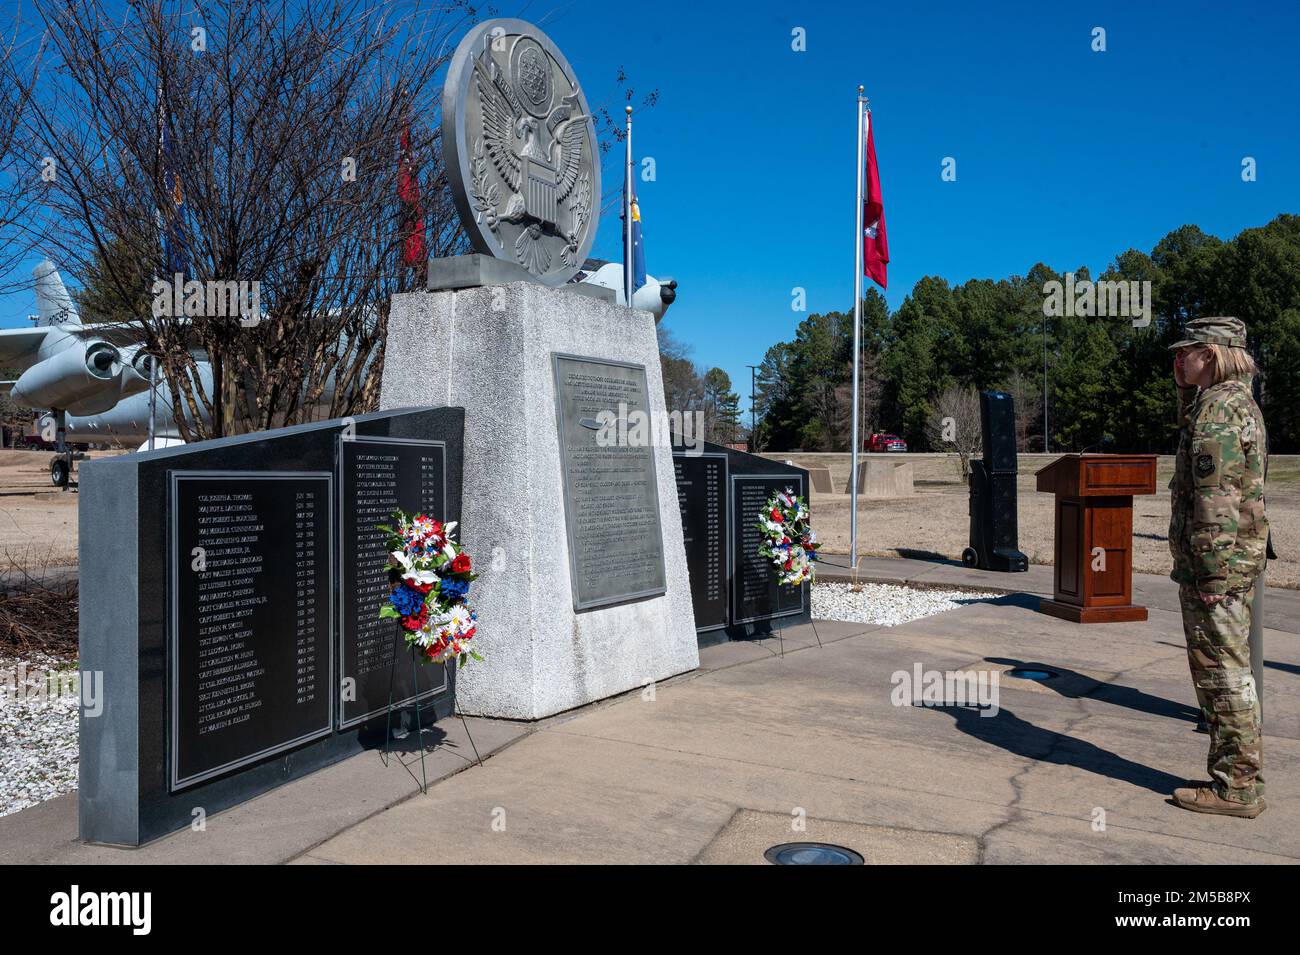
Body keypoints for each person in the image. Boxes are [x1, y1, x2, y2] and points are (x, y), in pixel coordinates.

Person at [1168, 316, 1269, 818]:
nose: (1177, 361)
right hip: (1231, 564)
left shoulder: (1218, 412)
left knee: (1223, 676)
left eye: (1186, 352)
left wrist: (1210, 573)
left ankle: (1237, 786)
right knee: (1229, 672)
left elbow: (1215, 499)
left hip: (1219, 570)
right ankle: (1237, 777)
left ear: (1210, 354)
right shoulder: (1230, 402)